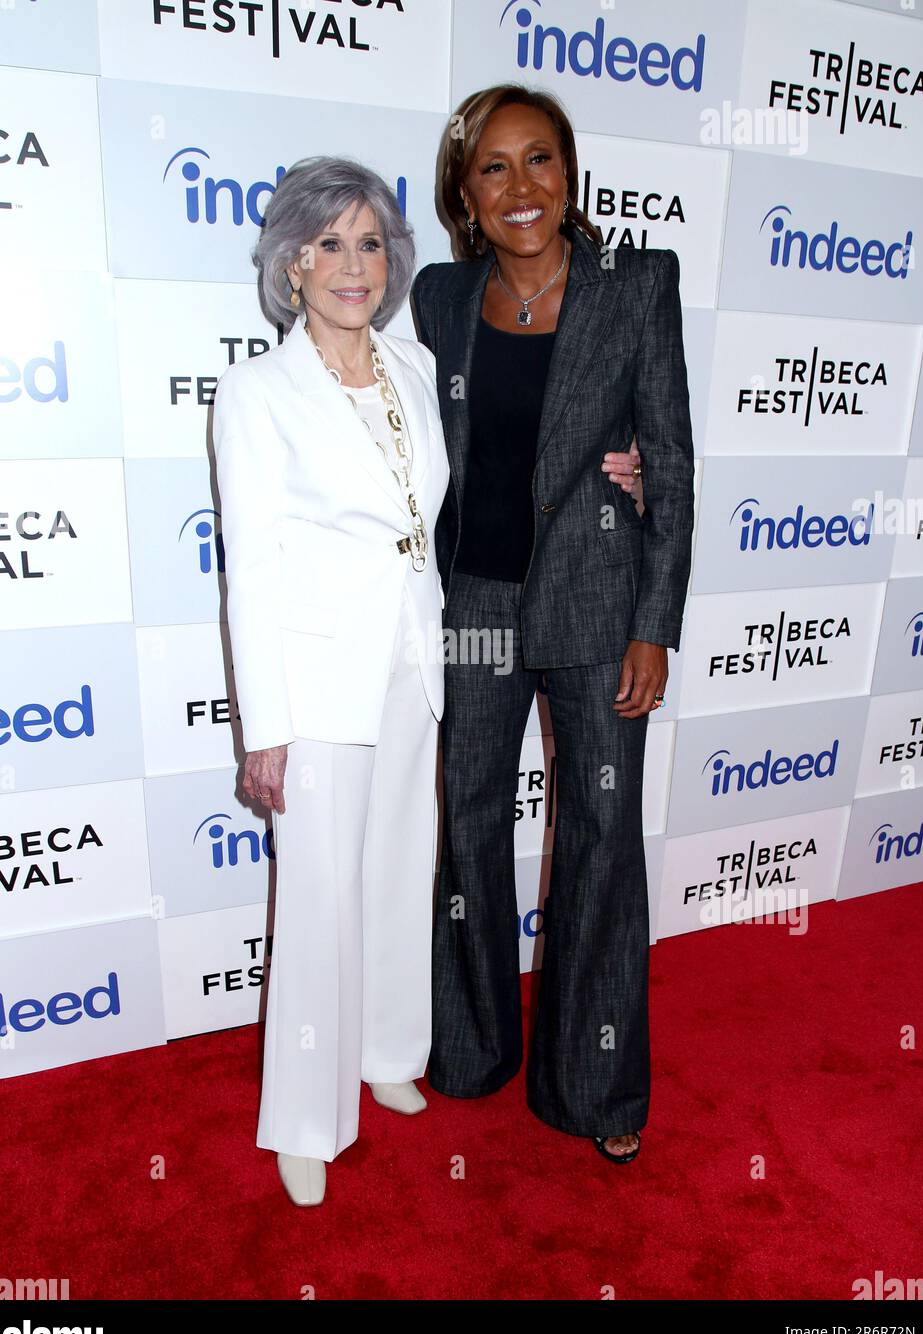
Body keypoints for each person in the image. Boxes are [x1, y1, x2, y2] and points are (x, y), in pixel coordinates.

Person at [412, 85, 695, 1164]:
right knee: (470, 826)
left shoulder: (637, 286)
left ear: (570, 174)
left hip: (596, 602)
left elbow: (670, 462)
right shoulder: (440, 297)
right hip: (477, 604)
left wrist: (654, 623)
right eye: (494, 167)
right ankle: (470, 1048)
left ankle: (595, 1084)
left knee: (601, 838)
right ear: (466, 195)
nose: (520, 186)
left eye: (540, 159)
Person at [213, 156, 450, 1206]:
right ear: (292, 265)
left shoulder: (413, 366)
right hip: (317, 683)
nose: (354, 265)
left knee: (401, 866)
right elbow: (253, 569)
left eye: (370, 243)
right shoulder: (258, 393)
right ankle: (306, 1119)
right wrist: (265, 725)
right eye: (329, 245)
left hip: (412, 661)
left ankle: (387, 1051)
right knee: (318, 899)